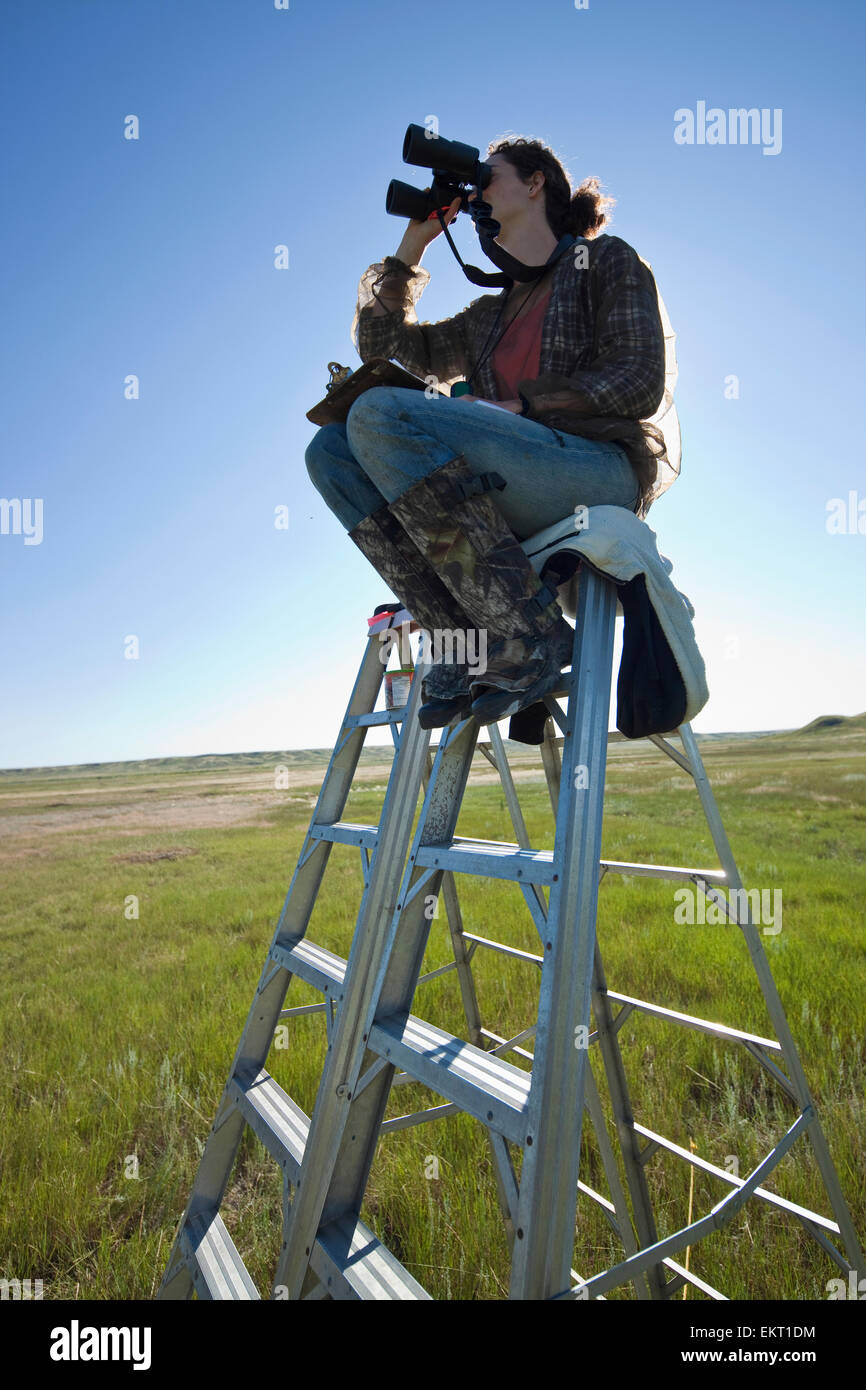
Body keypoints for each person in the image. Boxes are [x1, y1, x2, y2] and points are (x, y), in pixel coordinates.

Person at [305, 135, 679, 730]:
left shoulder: (603, 260)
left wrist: (516, 407)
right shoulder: (491, 315)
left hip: (594, 471)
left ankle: (531, 634)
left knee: (379, 412)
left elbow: (638, 380)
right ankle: (462, 645)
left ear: (535, 183)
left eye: (488, 176)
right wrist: (413, 244)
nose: (478, 191)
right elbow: (382, 347)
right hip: (509, 487)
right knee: (329, 450)